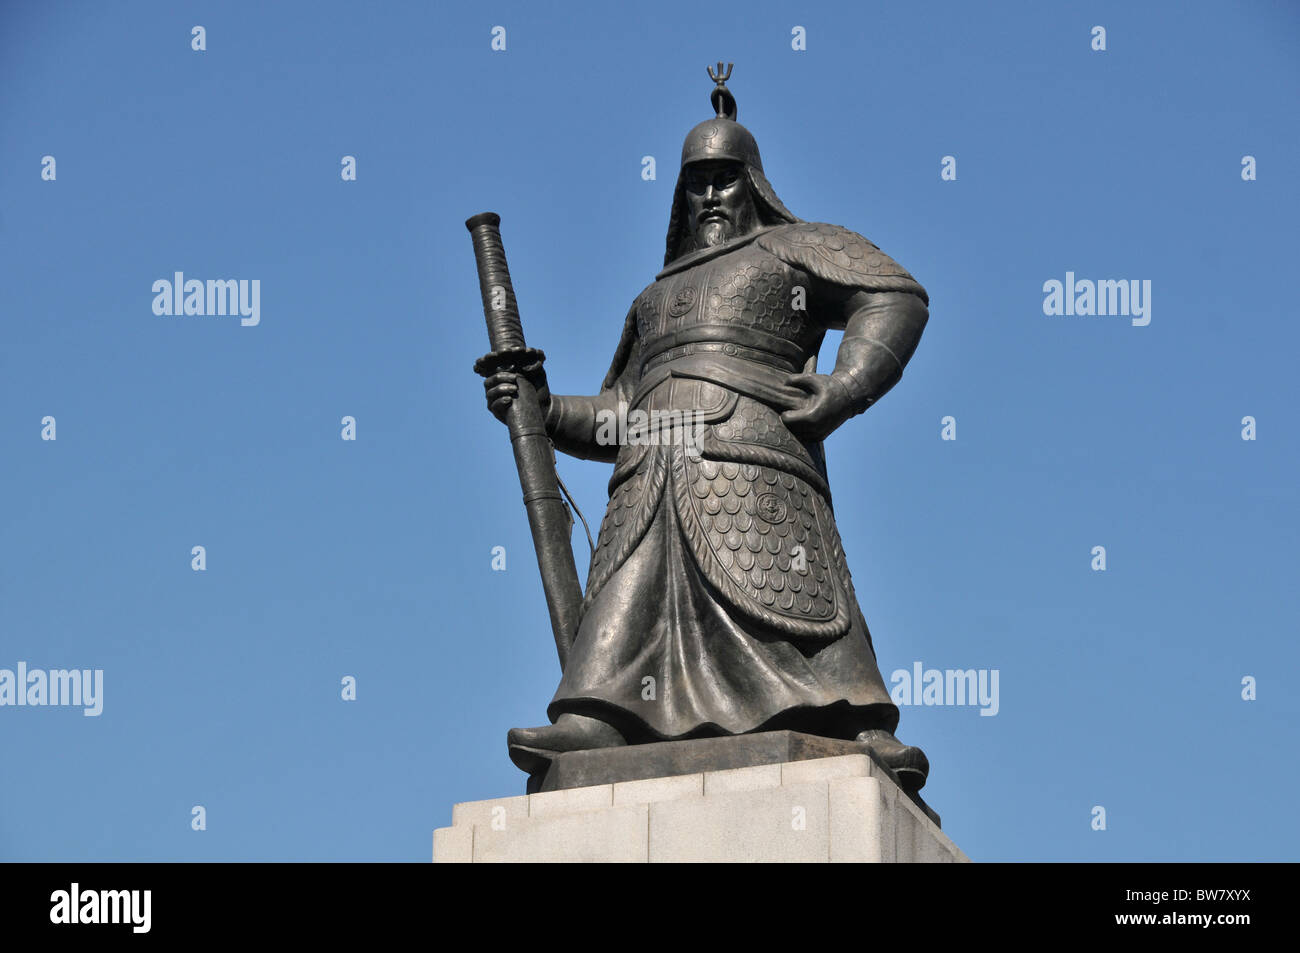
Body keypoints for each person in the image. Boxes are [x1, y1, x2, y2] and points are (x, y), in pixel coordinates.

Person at [482, 70, 933, 790]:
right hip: (649, 481)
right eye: (698, 182)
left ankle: (849, 725)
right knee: (625, 606)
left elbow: (895, 296)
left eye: (726, 179)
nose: (712, 196)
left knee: (789, 602)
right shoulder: (652, 299)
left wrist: (848, 386)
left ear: (752, 182)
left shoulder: (794, 249)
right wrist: (539, 406)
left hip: (750, 459)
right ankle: (597, 716)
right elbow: (619, 415)